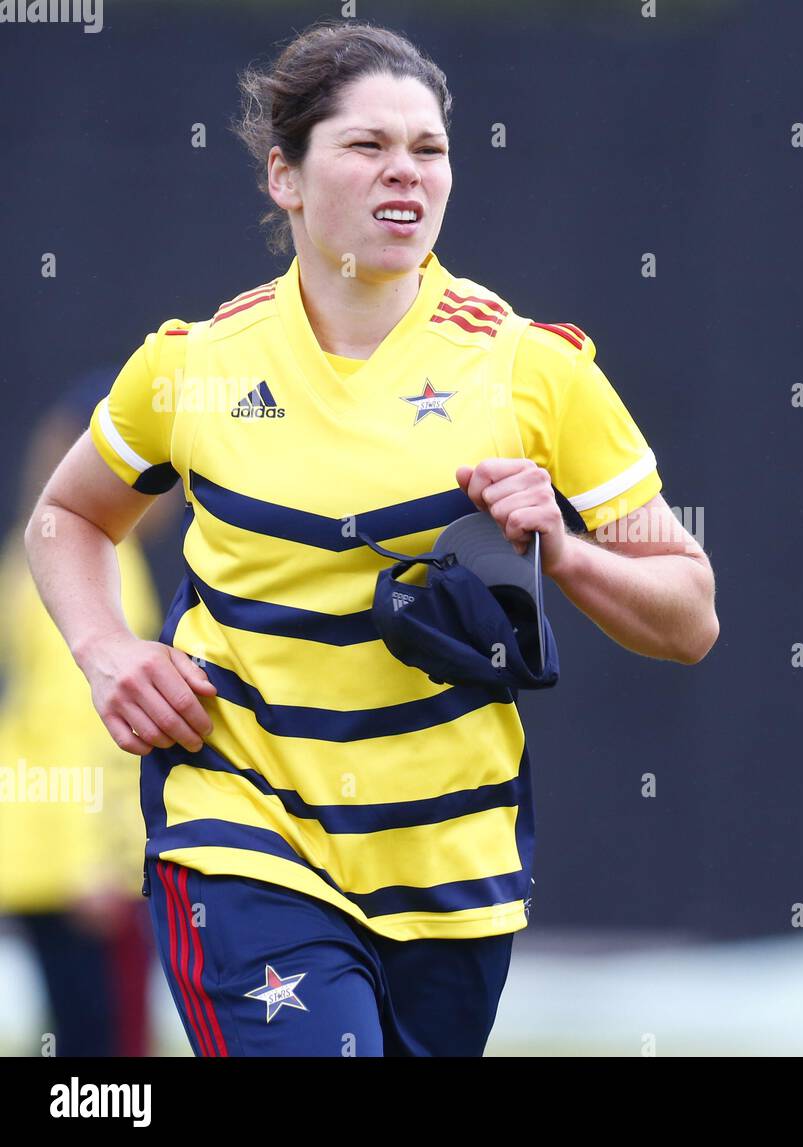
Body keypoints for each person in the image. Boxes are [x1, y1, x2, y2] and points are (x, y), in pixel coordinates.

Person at [23, 20, 718, 1057]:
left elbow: (690, 613)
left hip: (450, 866)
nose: (407, 172)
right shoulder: (192, 365)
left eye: (428, 149)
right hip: (240, 834)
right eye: (367, 146)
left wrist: (565, 552)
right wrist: (106, 650)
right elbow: (67, 516)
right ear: (285, 177)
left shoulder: (537, 369)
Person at [0, 375, 168, 1057]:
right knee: (111, 1056)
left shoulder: (29, 554)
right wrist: (95, 865)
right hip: (82, 865)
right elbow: (84, 719)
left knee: (80, 1042)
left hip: (35, 849)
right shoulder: (98, 559)